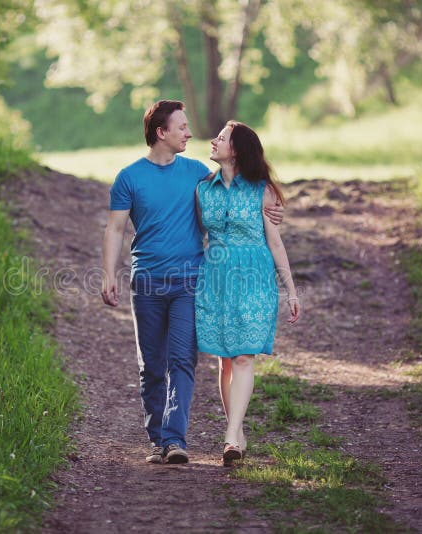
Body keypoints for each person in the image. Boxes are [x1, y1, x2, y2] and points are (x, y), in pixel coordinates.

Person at [101, 101, 283, 465]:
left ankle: (174, 439)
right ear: (161, 133)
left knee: (183, 360)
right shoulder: (129, 177)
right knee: (151, 365)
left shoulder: (198, 174)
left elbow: (234, 198)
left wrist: (270, 205)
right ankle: (157, 438)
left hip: (190, 281)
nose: (189, 132)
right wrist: (109, 273)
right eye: (182, 127)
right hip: (147, 282)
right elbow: (116, 227)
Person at [194, 120, 301, 466]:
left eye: (221, 138)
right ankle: (236, 430)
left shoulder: (261, 190)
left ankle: (230, 439)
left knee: (243, 357)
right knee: (224, 360)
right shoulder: (203, 190)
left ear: (237, 150)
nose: (213, 141)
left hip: (254, 278)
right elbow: (194, 235)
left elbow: (275, 240)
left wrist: (291, 290)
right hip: (216, 278)